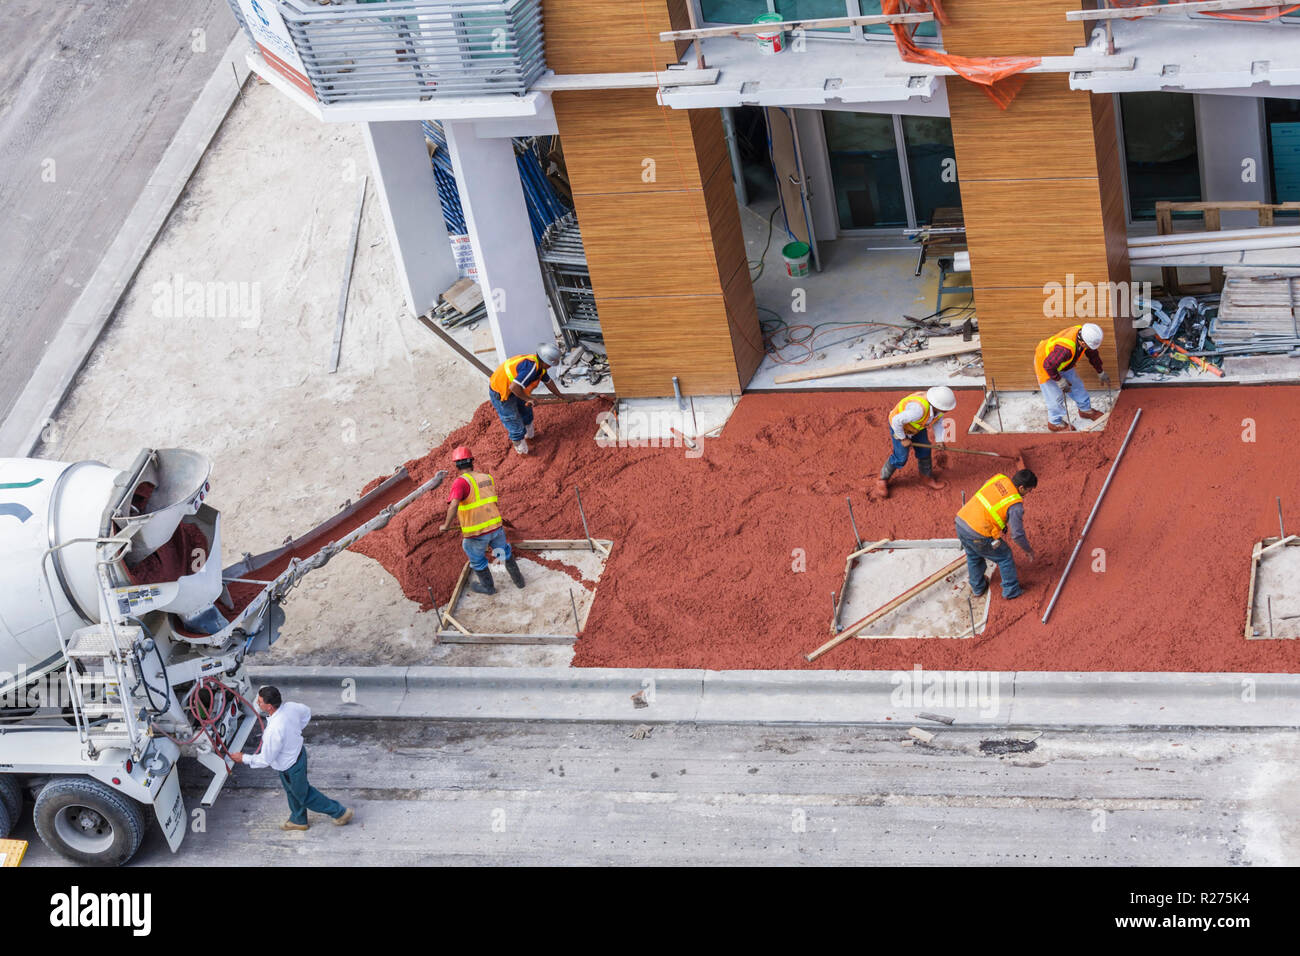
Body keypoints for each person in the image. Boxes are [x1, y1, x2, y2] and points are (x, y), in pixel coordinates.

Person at [228, 686, 353, 832]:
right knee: (291, 790)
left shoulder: (274, 730)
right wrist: (295, 730)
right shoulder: (291, 707)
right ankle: (298, 820)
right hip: (298, 755)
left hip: (290, 766)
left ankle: (340, 813)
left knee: (305, 795)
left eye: (260, 701)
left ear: (268, 707)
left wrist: (244, 758)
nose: (257, 702)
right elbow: (306, 712)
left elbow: (265, 760)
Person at [438, 445, 526, 595]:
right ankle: (519, 582)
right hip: (496, 528)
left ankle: (488, 588)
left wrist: (446, 525)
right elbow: (490, 502)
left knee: (477, 561)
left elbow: (453, 506)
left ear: (456, 465)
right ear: (472, 461)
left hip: (476, 534)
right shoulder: (487, 478)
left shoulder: (460, 482)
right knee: (503, 553)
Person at [954, 469, 1038, 600]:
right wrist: (1028, 550)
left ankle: (978, 587)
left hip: (961, 523)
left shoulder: (999, 478)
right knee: (1005, 556)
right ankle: (1011, 591)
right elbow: (1017, 534)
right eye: (1029, 490)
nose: (1028, 493)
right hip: (979, 534)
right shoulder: (1015, 504)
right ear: (1021, 487)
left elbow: (990, 500)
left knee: (973, 555)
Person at [872, 386, 958, 500]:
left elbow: (938, 422)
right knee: (901, 457)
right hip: (899, 427)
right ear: (938, 405)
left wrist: (939, 440)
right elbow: (896, 421)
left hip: (917, 426)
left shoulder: (938, 409)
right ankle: (882, 479)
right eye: (947, 408)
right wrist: (903, 438)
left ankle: (926, 477)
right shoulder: (918, 410)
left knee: (925, 449)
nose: (948, 411)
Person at [488, 344, 567, 454]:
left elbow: (548, 382)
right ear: (546, 362)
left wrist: (561, 396)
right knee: (513, 420)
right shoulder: (530, 368)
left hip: (517, 389)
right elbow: (514, 387)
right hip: (502, 391)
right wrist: (528, 399)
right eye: (550, 364)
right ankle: (522, 452)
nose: (550, 366)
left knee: (526, 412)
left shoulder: (540, 367)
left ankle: (530, 437)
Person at [1034, 322, 1111, 432]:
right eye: (1088, 346)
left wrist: (1100, 371)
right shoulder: (1066, 349)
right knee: (1055, 396)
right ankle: (1055, 422)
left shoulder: (1085, 334)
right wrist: (1059, 380)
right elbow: (1049, 365)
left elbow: (1092, 354)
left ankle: (1085, 411)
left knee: (1076, 385)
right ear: (1082, 342)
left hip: (1061, 362)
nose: (1090, 348)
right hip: (1045, 364)